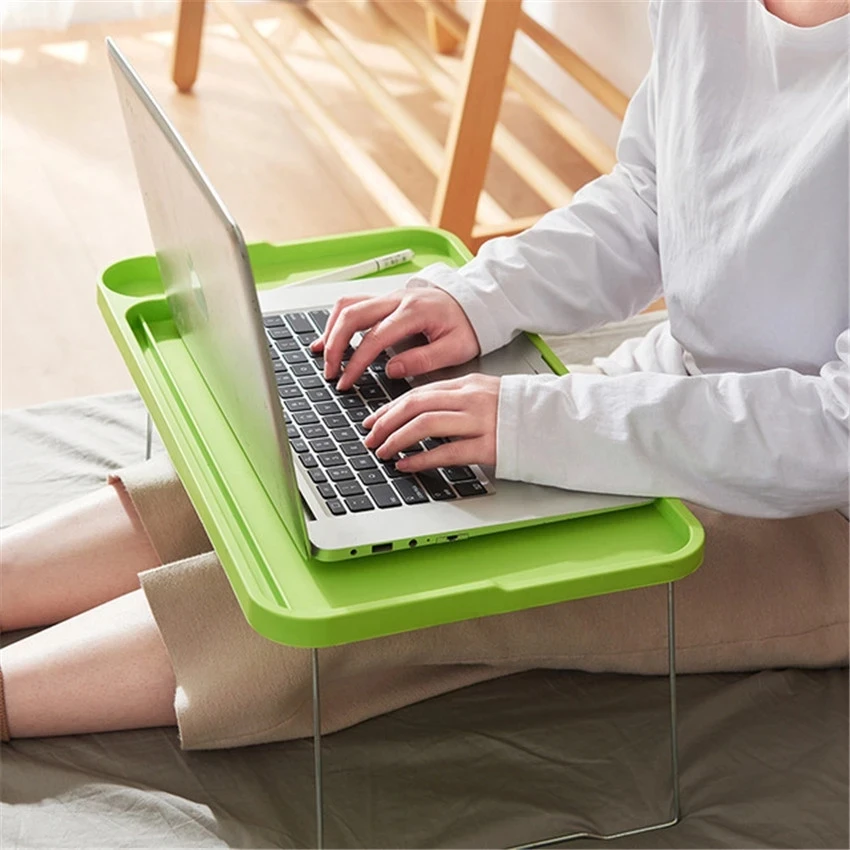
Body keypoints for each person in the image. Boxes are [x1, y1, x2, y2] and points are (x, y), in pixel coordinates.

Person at [1, 0, 847, 748]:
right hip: (671, 388)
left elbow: (836, 431)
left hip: (819, 517)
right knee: (296, 461)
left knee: (406, 581)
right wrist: (478, 298)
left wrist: (533, 426)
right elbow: (652, 197)